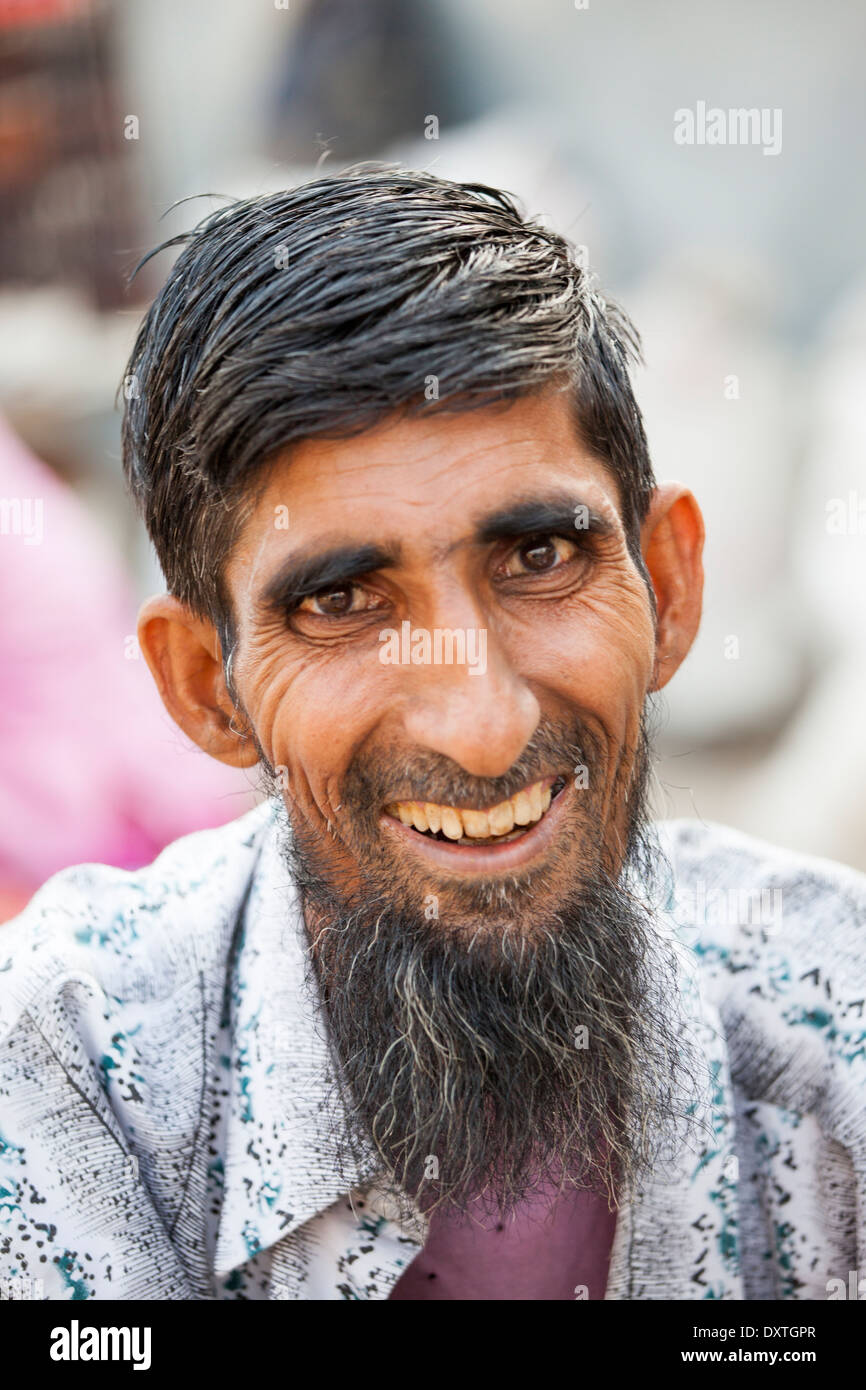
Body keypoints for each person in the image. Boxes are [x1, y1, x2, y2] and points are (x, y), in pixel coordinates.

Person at [1, 168, 863, 1302]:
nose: (481, 723)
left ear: (665, 583)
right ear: (208, 688)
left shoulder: (832, 1021)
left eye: (540, 558)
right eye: (340, 599)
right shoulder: (66, 1081)